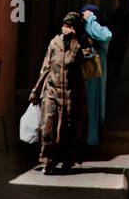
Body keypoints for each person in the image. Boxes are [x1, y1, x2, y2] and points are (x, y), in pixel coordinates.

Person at [29, 12, 88, 174]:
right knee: (47, 128)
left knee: (66, 130)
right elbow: (45, 67)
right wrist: (36, 90)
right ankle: (47, 161)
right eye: (65, 25)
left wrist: (78, 40)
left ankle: (67, 161)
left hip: (70, 95)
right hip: (51, 92)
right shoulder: (54, 43)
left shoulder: (80, 45)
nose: (66, 29)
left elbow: (90, 62)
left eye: (70, 26)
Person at [81, 4, 112, 149]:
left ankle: (90, 139)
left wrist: (91, 20)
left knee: (92, 105)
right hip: (81, 74)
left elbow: (106, 35)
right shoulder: (79, 34)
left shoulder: (100, 36)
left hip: (93, 72)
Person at [107, 0, 129, 90]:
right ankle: (115, 74)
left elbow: (110, 26)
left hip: (117, 38)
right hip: (121, 38)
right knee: (118, 57)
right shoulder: (127, 13)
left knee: (115, 57)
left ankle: (114, 75)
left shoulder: (116, 12)